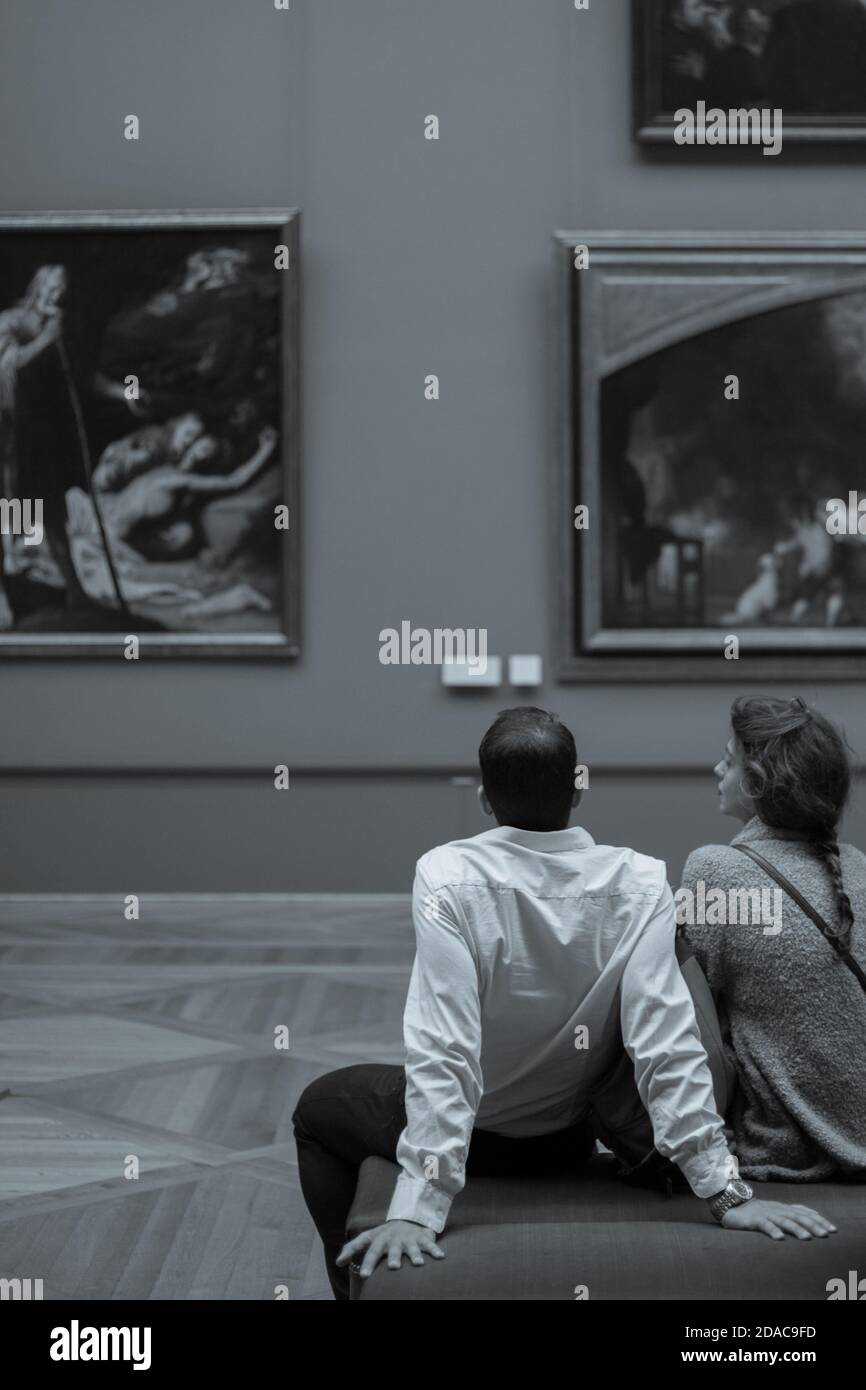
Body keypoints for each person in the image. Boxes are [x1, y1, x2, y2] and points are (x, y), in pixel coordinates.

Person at [293, 707, 835, 1300]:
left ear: (482, 799)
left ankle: (350, 1290)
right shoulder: (642, 881)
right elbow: (667, 1043)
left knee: (318, 1109)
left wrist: (419, 1206)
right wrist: (723, 1193)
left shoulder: (445, 874)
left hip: (482, 1137)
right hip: (566, 1138)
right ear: (578, 787)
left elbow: (446, 1048)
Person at [680, 696, 866, 1182]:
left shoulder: (715, 870)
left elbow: (690, 1013)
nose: (716, 768)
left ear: (757, 781)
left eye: (729, 758)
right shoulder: (859, 869)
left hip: (785, 1148)